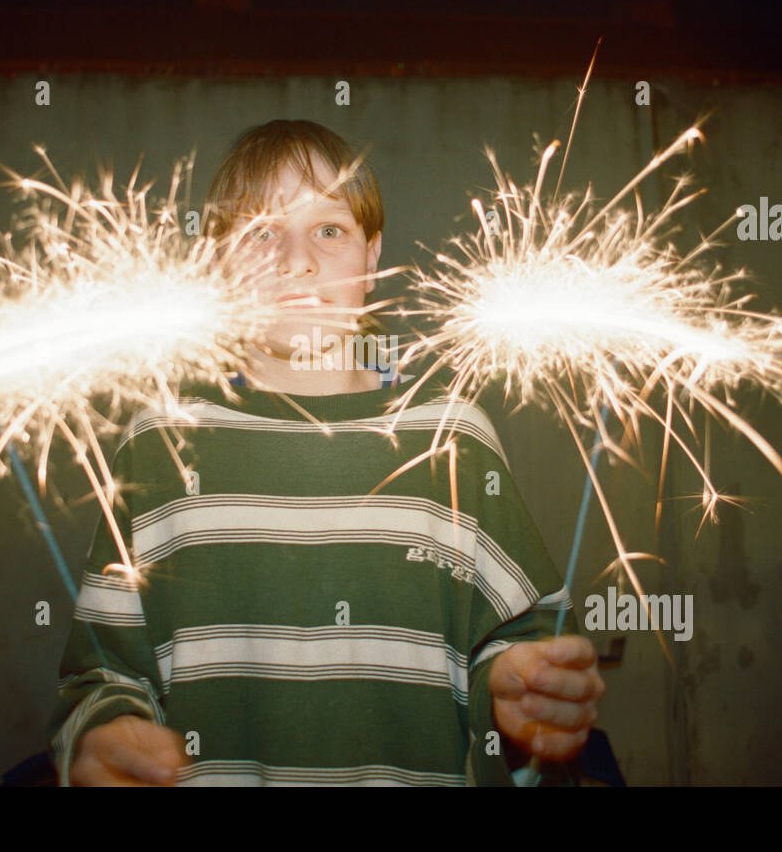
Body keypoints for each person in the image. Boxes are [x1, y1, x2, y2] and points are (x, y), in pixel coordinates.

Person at [47, 119, 605, 786]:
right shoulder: (159, 443)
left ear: (373, 257)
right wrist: (102, 733)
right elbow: (102, 674)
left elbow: (518, 648)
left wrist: (517, 696)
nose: (295, 259)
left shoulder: (451, 435)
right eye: (260, 231)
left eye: (329, 230)